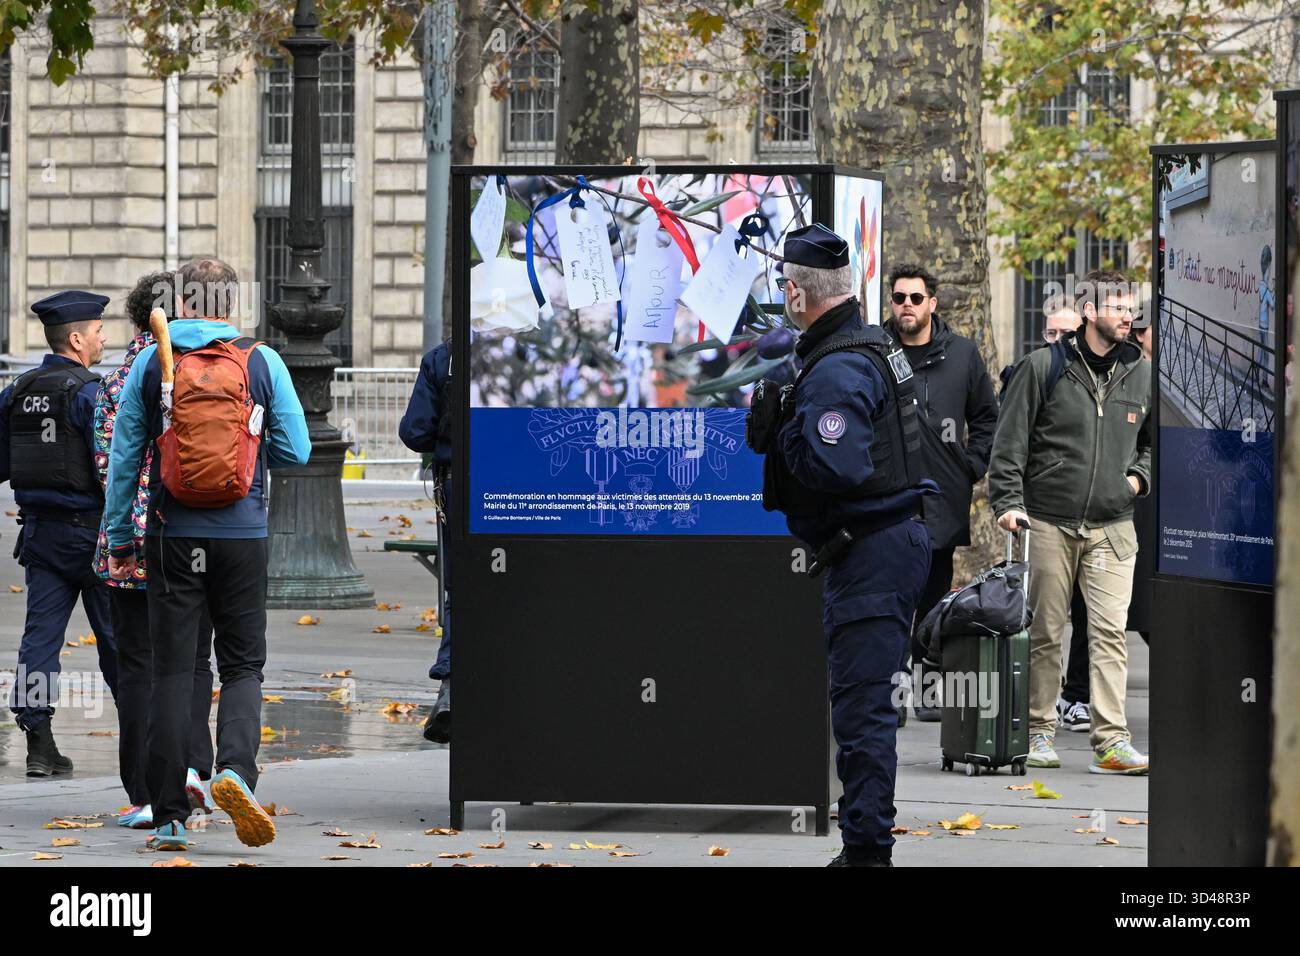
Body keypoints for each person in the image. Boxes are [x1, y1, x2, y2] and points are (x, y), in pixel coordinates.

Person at [105, 258, 311, 851]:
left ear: (183, 303)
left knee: (174, 669)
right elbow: (296, 450)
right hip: (243, 536)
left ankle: (169, 814)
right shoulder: (262, 360)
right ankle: (236, 774)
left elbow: (125, 463)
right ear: (231, 302)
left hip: (172, 536)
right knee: (243, 665)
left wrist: (121, 541)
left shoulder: (153, 360)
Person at [748, 223, 935, 867]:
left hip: (873, 552)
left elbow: (837, 468)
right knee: (864, 706)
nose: (783, 297)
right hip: (885, 544)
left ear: (798, 293)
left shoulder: (837, 369)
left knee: (863, 713)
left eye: (784, 288)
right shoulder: (869, 344)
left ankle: (866, 854)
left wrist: (782, 430)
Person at [989, 269, 1151, 775]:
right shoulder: (1043, 368)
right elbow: (1009, 444)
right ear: (1088, 310)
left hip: (1113, 524)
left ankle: (1111, 742)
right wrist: (1007, 503)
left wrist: (1136, 481)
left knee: (1109, 634)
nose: (1128, 317)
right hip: (1048, 522)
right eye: (1118, 307)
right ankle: (1038, 732)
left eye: (1131, 309)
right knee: (1046, 633)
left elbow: (1151, 444)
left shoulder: (1142, 372)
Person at [94, 272, 217, 829]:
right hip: (197, 534)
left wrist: (120, 537)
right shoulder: (216, 365)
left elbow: (108, 464)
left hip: (133, 542)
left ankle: (146, 791)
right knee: (193, 661)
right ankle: (194, 768)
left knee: (139, 667)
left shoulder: (122, 378)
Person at [1, 291, 119, 776]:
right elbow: (115, 468)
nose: (103, 337)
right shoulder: (92, 393)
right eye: (97, 331)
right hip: (95, 537)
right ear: (76, 339)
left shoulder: (16, 391)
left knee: (40, 641)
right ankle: (142, 735)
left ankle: (38, 745)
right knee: (120, 639)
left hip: (42, 538)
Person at [883, 264, 997, 722]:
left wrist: (968, 467)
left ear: (932, 302)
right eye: (898, 298)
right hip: (888, 503)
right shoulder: (876, 350)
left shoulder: (964, 355)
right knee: (892, 601)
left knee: (931, 604)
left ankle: (930, 688)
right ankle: (892, 700)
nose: (906, 306)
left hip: (942, 506)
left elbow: (988, 418)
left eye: (915, 298)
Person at [398, 340, 453, 743]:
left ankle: (450, 688)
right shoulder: (532, 348)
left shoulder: (444, 356)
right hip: (521, 489)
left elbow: (416, 430)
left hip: (459, 484)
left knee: (461, 588)